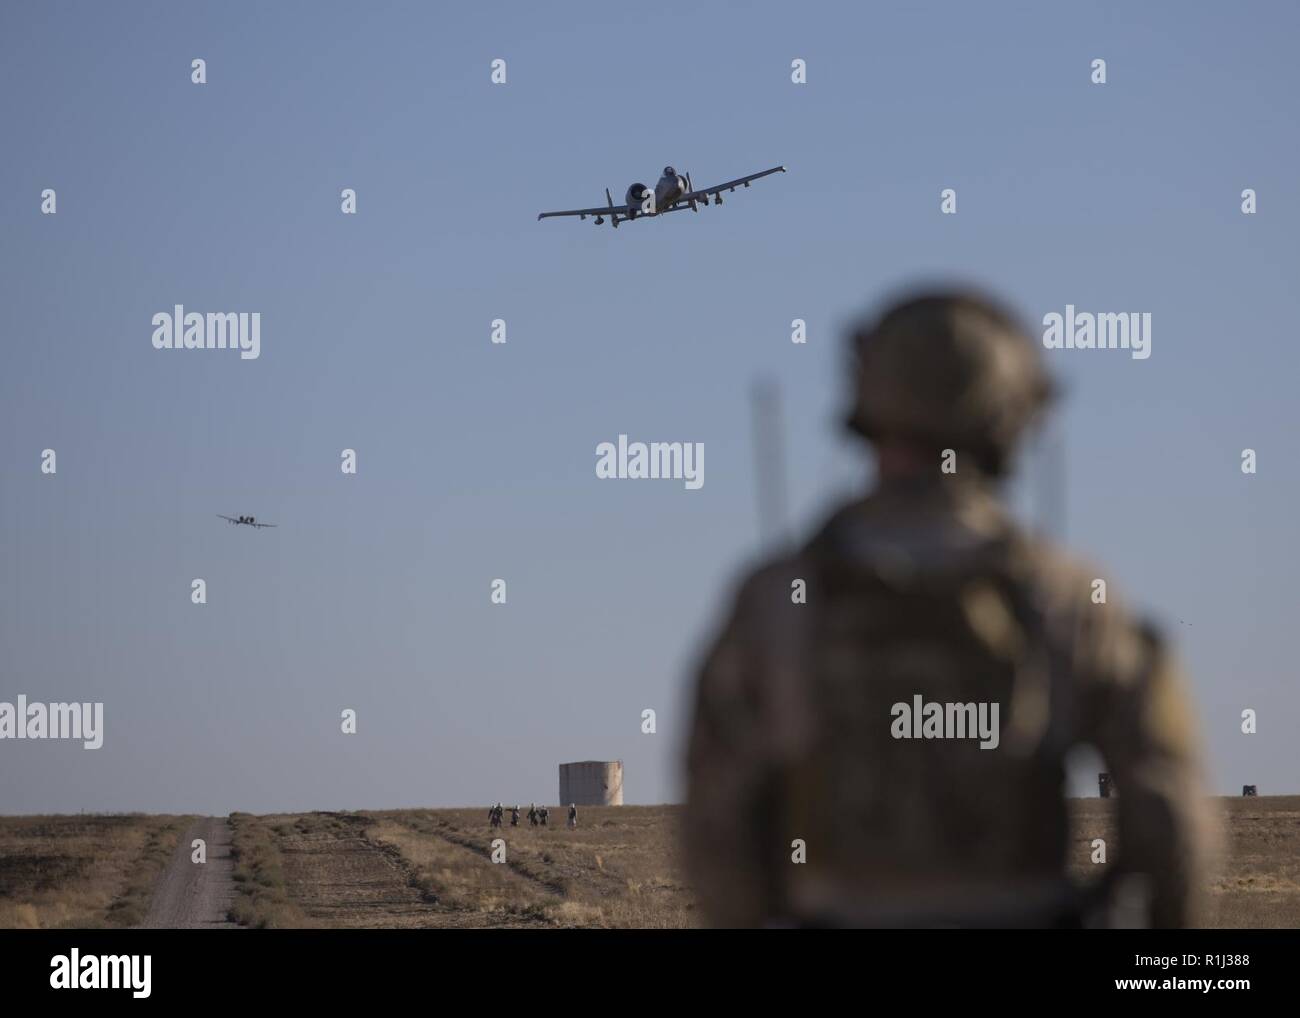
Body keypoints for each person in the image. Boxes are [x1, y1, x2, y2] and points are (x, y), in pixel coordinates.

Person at [683, 290, 1214, 929]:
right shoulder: (1072, 597)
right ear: (1008, 414)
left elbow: (716, 826)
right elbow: (1172, 821)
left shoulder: (776, 599)